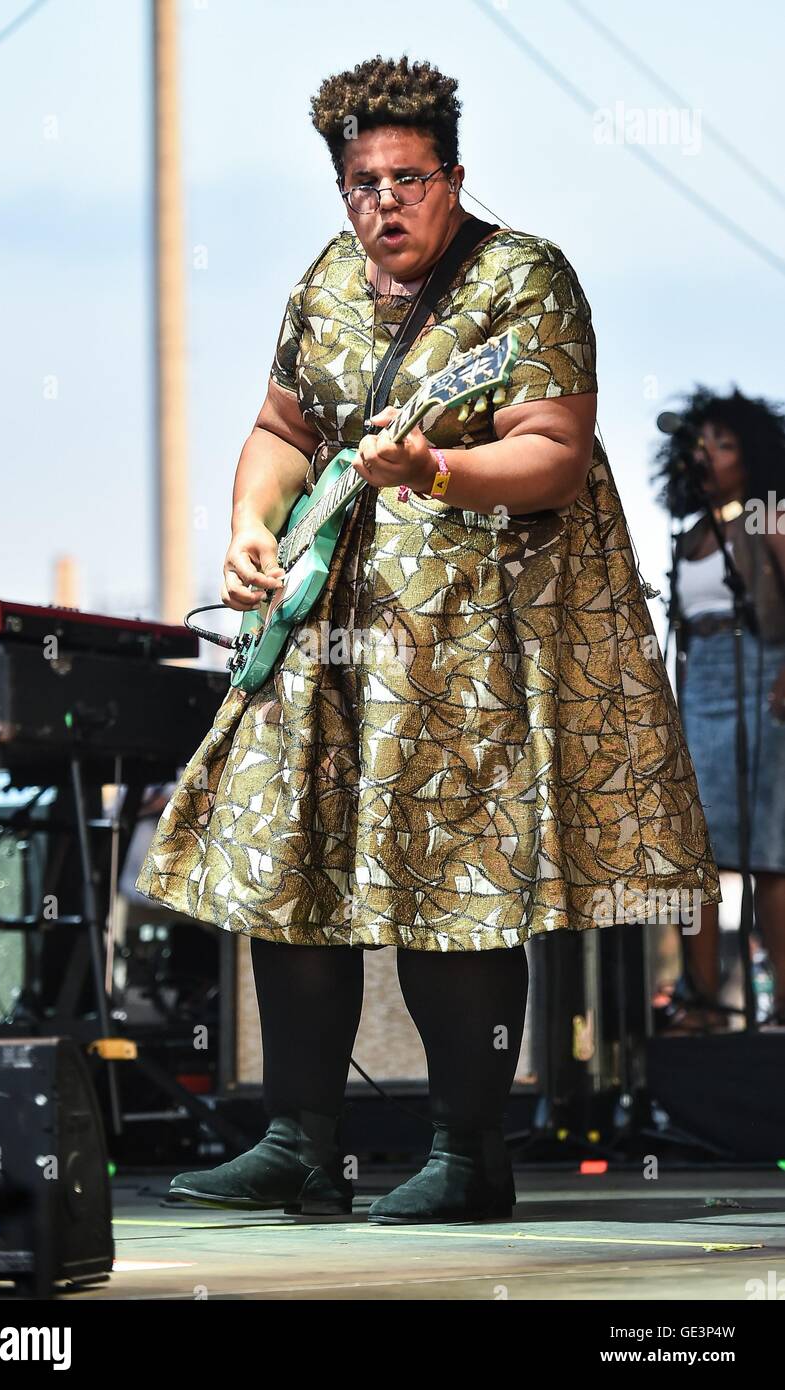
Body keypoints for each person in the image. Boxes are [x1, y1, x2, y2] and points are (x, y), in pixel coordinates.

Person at [135, 55, 719, 1223]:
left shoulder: (523, 279)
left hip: (469, 647)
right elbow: (280, 426)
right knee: (285, 861)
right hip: (322, 631)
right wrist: (250, 524)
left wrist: (438, 466)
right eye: (361, 183)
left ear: (452, 174)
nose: (383, 204)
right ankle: (299, 1143)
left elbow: (554, 448)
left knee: (454, 880)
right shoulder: (325, 284)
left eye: (406, 178)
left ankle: (469, 1153)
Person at [653, 388, 785, 1034]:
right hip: (701, 681)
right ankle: (700, 999)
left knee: (767, 851)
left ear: (754, 455)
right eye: (702, 441)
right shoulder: (689, 535)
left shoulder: (767, 515)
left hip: (761, 677)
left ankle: (781, 1004)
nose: (708, 452)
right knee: (694, 853)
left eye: (724, 443)